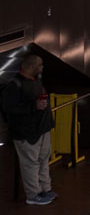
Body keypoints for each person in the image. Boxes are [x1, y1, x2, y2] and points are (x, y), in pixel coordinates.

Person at [2, 54, 56, 205]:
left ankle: (46, 189)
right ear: (30, 67)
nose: (42, 67)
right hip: (26, 132)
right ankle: (33, 194)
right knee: (30, 162)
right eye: (40, 65)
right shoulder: (14, 85)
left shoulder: (36, 80)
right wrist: (33, 106)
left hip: (42, 128)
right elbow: (8, 107)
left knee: (43, 159)